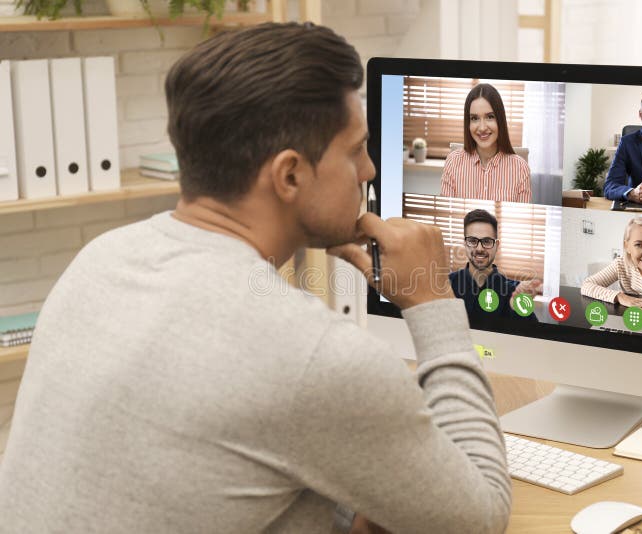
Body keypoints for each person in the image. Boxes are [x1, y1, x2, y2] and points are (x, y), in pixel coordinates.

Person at [0, 23, 511, 534]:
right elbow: (479, 517)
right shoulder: (311, 355)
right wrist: (432, 300)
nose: (370, 170)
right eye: (356, 150)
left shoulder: (98, 260)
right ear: (289, 175)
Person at [440, 83, 532, 203]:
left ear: (500, 120)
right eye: (474, 118)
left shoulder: (520, 169)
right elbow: (448, 214)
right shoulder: (453, 162)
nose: (482, 127)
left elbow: (520, 219)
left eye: (490, 117)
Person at [450, 209, 541, 324]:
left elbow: (534, 334)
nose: (479, 249)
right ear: (465, 244)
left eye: (487, 241)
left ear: (496, 245)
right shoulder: (447, 285)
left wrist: (518, 308)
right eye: (472, 241)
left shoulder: (514, 291)